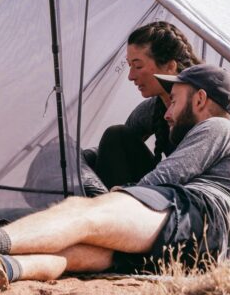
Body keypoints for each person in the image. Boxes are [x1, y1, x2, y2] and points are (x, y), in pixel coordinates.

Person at [0, 64, 230, 291]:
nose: (167, 113)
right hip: (203, 246)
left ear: (200, 100)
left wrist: (115, 202)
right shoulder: (229, 140)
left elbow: (165, 178)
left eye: (174, 100)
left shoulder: (217, 128)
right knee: (82, 256)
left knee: (83, 214)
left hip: (200, 215)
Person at [82, 21, 200, 194]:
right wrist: (78, 162)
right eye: (130, 66)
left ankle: (115, 211)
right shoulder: (152, 110)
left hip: (193, 200)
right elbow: (113, 149)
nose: (130, 76)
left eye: (138, 66)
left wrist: (127, 194)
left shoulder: (206, 109)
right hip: (161, 188)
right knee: (116, 135)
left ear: (170, 66)